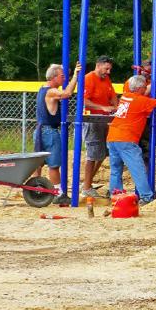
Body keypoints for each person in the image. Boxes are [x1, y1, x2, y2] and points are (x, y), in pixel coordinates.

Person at [106, 75, 156, 205]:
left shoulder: (126, 96)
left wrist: (153, 81)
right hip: (126, 138)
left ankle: (116, 196)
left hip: (112, 136)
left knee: (116, 170)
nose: (146, 90)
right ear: (139, 89)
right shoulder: (141, 101)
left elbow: (144, 88)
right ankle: (146, 196)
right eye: (144, 88)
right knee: (138, 168)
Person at [34, 62, 81, 204]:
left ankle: (35, 188)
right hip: (49, 131)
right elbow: (67, 94)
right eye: (62, 76)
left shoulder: (42, 88)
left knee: (38, 162)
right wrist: (75, 77)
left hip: (40, 130)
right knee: (54, 164)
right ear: (54, 77)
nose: (64, 79)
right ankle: (58, 193)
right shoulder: (51, 91)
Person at [81, 55, 118, 197]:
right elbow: (84, 101)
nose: (108, 72)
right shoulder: (88, 79)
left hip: (104, 120)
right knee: (92, 153)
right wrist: (103, 107)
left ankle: (87, 183)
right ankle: (86, 187)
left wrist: (116, 107)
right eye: (106, 68)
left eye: (110, 69)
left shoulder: (106, 79)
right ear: (98, 65)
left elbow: (113, 96)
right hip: (91, 119)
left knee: (103, 153)